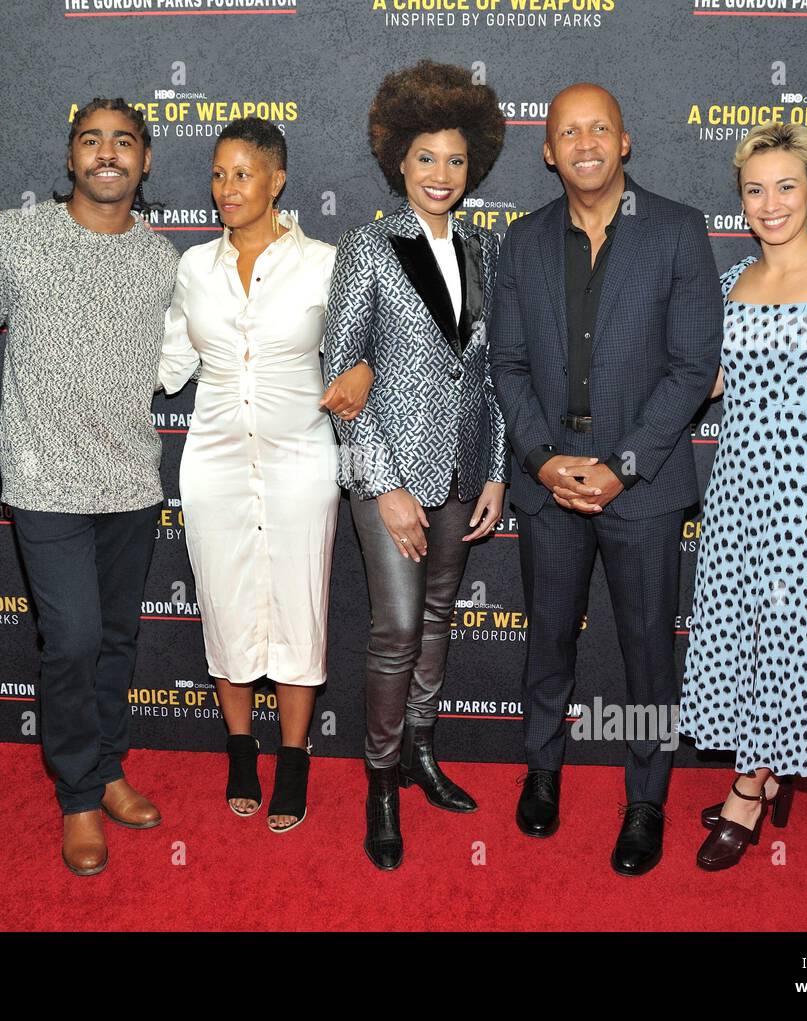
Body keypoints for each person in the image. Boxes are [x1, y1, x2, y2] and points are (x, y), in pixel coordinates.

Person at [489, 83, 721, 876]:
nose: (584, 142)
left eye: (599, 128)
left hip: (644, 486)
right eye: (567, 132)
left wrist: (622, 467)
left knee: (648, 650)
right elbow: (508, 365)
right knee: (548, 639)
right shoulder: (519, 243)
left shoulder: (680, 232)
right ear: (548, 150)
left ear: (625, 142)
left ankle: (647, 798)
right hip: (549, 480)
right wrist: (544, 460)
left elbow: (693, 366)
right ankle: (544, 770)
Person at [681, 121, 807, 870]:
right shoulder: (736, 279)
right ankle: (764, 773)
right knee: (744, 638)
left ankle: (747, 790)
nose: (770, 204)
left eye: (786, 188)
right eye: (755, 190)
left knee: (795, 645)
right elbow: (708, 383)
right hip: (738, 493)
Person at [158, 118, 373, 833]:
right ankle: (240, 748)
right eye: (218, 175)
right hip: (214, 459)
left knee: (298, 603)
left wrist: (365, 369)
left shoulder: (325, 263)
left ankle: (294, 756)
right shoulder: (193, 268)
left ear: (278, 181)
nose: (227, 189)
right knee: (224, 601)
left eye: (243, 174)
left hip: (302, 459)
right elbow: (166, 366)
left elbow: (364, 346)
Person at [0, 98, 177, 876]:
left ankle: (110, 763)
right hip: (42, 478)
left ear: (145, 161)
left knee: (118, 639)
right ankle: (80, 798)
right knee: (72, 640)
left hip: (131, 479)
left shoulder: (162, 258)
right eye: (91, 141)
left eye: (123, 142)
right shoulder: (19, 237)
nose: (107, 154)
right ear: (70, 158)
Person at [323, 61, 508, 871]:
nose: (441, 174)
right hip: (389, 474)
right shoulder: (366, 245)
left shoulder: (483, 247)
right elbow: (340, 376)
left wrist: (497, 469)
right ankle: (380, 779)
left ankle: (420, 751)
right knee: (396, 628)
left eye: (456, 160)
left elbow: (493, 372)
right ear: (399, 160)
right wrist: (383, 483)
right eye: (426, 157)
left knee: (439, 621)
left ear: (475, 169)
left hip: (464, 472)